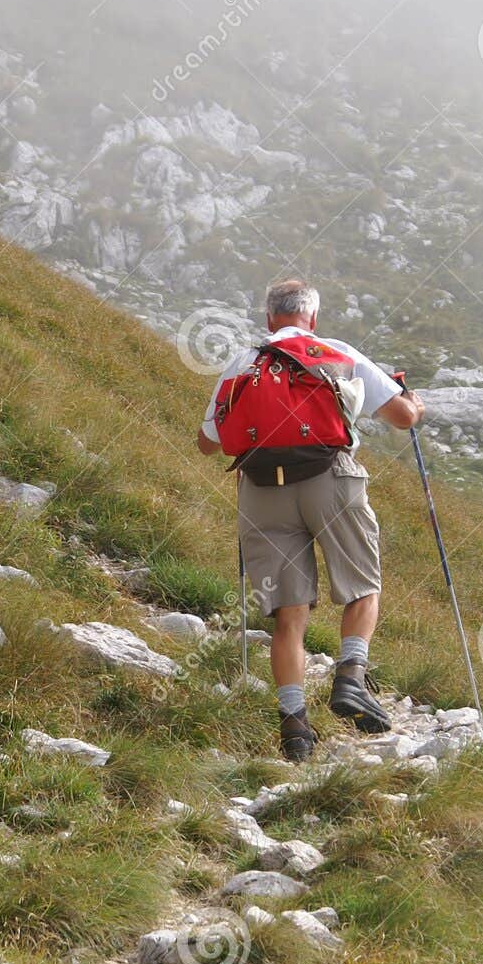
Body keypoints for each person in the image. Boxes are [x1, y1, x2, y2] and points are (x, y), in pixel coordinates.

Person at [197, 279, 424, 762]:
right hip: (330, 479)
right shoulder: (334, 350)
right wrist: (415, 401)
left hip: (261, 491)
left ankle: (295, 728)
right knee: (363, 585)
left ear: (268, 319)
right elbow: (403, 417)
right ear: (312, 318)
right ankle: (350, 678)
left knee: (288, 612)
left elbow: (208, 441)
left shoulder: (243, 363)